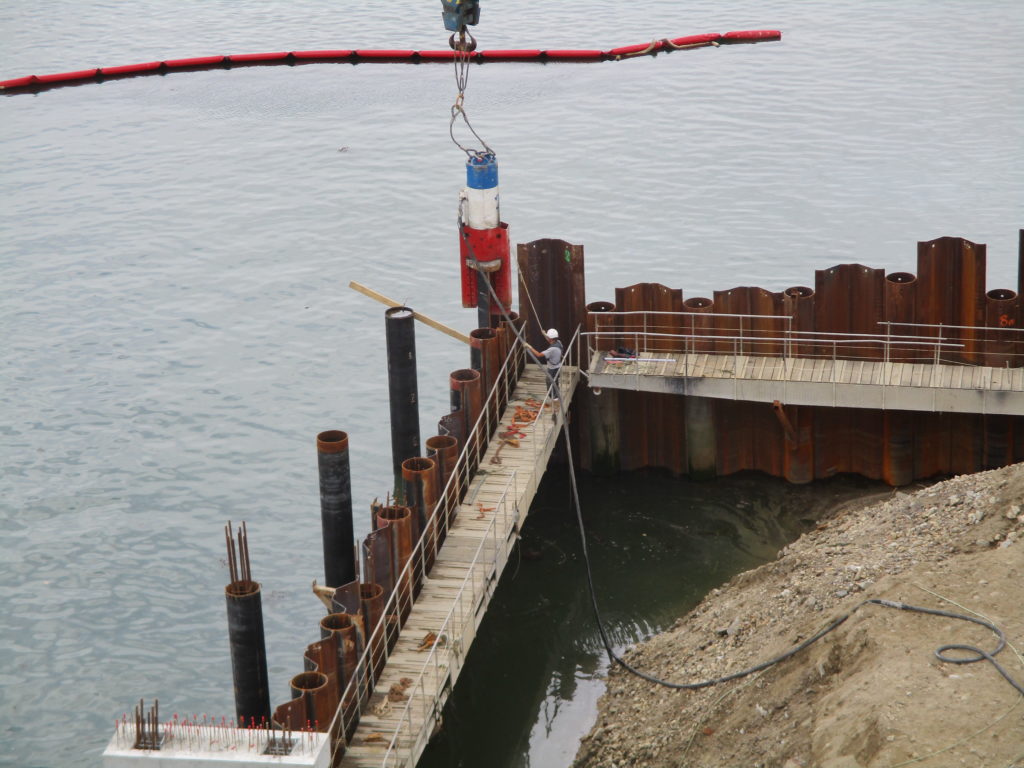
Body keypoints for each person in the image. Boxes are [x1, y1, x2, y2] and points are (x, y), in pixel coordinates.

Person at [527, 328, 564, 402]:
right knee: (555, 380)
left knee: (549, 381)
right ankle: (556, 395)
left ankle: (554, 397)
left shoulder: (551, 349)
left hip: (552, 368)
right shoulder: (558, 342)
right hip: (558, 366)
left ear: (551, 338)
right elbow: (550, 340)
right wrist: (544, 334)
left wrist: (529, 347)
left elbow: (538, 354)